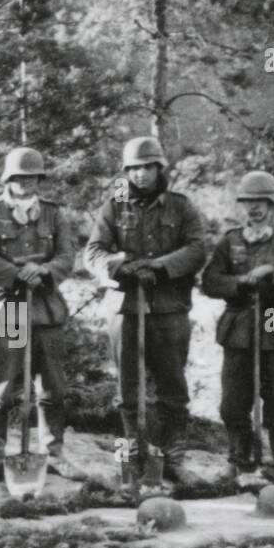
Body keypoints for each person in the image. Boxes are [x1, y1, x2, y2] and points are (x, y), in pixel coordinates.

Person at [84, 136, 207, 489]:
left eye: (148, 166)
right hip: (125, 308)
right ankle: (133, 459)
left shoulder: (182, 207)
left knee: (173, 386)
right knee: (127, 388)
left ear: (159, 168)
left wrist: (159, 267)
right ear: (127, 171)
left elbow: (197, 248)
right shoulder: (114, 207)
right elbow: (92, 251)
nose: (141, 174)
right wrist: (115, 266)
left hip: (169, 308)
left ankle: (174, 460)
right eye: (134, 168)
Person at [0, 146, 84, 483]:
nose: (25, 183)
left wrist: (44, 270)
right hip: (8, 306)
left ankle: (55, 451)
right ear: (8, 178)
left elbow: (67, 255)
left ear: (39, 179)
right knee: (1, 383)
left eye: (32, 177)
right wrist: (17, 274)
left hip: (45, 308)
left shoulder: (52, 214)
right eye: (19, 177)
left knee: (53, 386)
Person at [200, 170, 274, 484]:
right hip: (239, 324)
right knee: (232, 404)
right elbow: (209, 281)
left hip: (272, 315)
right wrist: (239, 282)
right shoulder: (231, 240)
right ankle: (241, 462)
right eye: (248, 202)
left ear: (272, 204)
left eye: (261, 202)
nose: (254, 208)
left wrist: (272, 273)